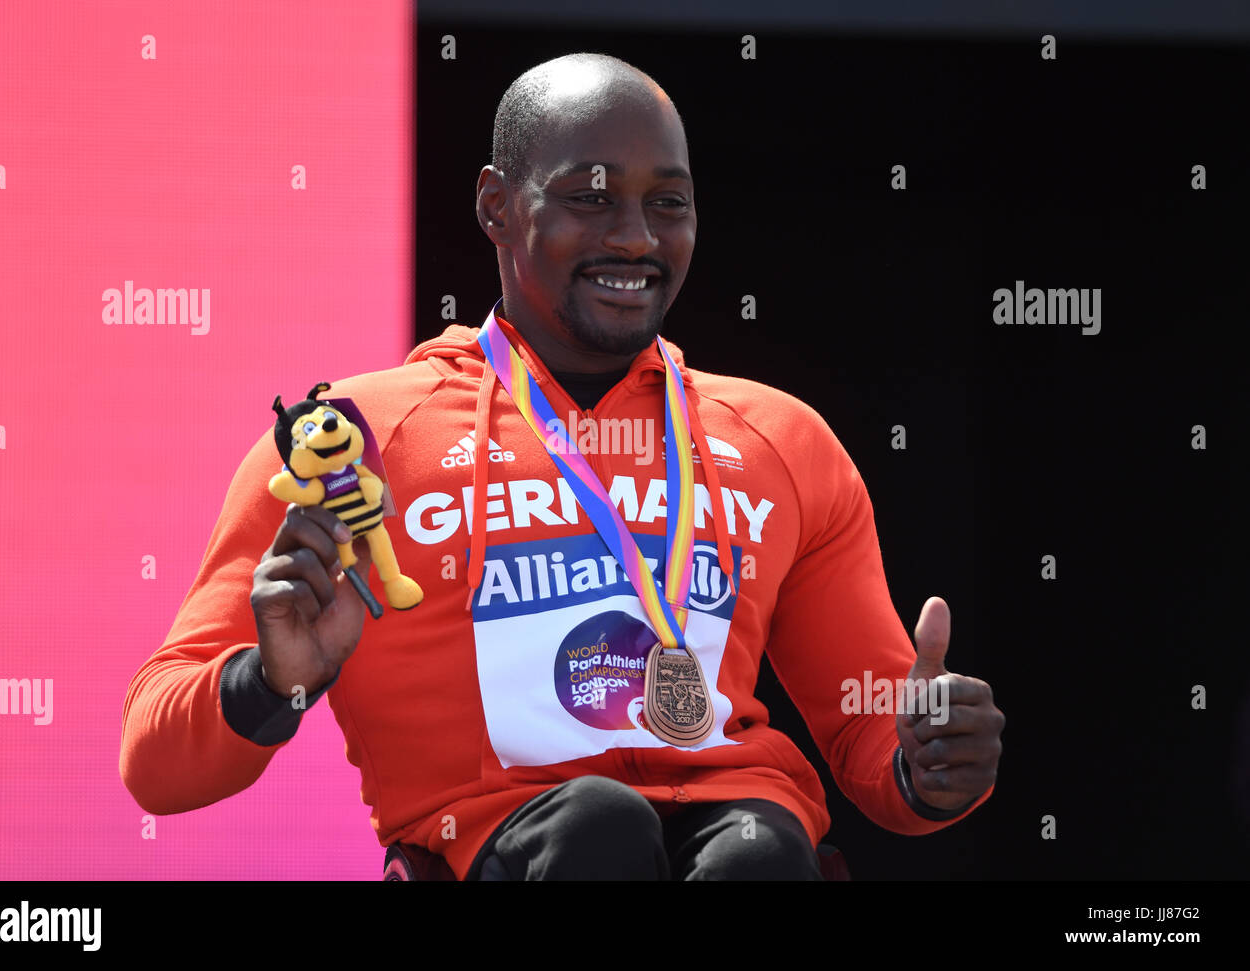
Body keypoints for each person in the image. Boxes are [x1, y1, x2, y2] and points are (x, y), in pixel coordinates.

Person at [119, 52, 1004, 880]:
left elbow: (872, 749)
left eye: (669, 202)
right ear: (496, 206)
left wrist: (929, 764)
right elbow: (154, 764)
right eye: (590, 196)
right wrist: (271, 682)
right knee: (597, 826)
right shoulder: (361, 443)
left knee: (758, 849)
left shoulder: (779, 438)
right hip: (508, 844)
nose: (635, 237)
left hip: (740, 828)